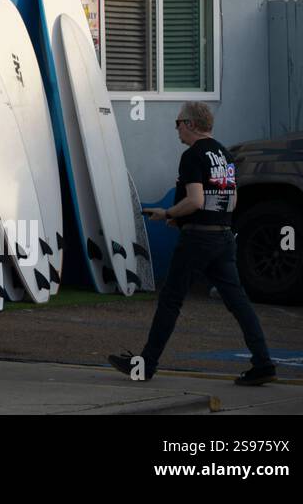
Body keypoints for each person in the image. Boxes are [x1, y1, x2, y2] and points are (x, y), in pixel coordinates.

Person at [109, 102, 276, 386]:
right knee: (238, 302)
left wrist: (169, 213)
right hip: (223, 236)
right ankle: (263, 363)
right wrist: (188, 216)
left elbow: (196, 200)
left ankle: (146, 365)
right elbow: (230, 201)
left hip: (198, 239)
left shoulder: (192, 156)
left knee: (171, 300)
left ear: (190, 124)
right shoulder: (224, 154)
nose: (176, 129)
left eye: (178, 123)